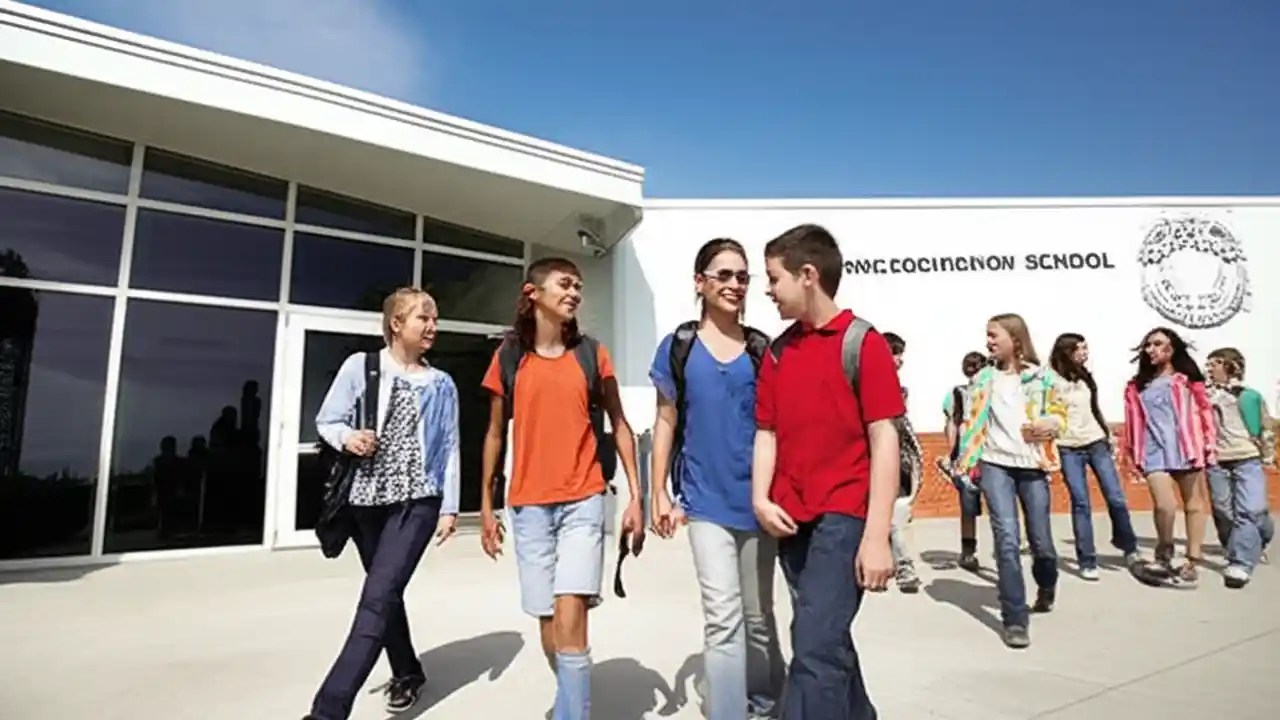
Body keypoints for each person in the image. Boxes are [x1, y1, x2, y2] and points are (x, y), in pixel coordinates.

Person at [477, 257, 644, 720]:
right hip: (528, 506)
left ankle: (574, 713)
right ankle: (571, 697)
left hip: (583, 498)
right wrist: (486, 506)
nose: (574, 293)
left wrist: (637, 496)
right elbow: (494, 434)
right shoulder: (509, 357)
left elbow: (620, 424)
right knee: (550, 624)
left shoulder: (592, 353)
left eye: (578, 286)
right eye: (565, 284)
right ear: (533, 294)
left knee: (572, 610)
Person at [753, 223, 900, 719]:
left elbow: (884, 440)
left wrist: (877, 537)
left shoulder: (863, 343)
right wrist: (760, 499)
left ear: (808, 275)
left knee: (814, 643)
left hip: (844, 516)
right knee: (825, 638)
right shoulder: (778, 352)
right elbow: (767, 432)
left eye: (774, 278)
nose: (768, 290)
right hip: (791, 520)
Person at [304, 288, 460, 720]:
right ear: (396, 323)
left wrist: (449, 507)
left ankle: (327, 711)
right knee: (385, 593)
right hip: (365, 500)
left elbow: (449, 446)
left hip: (418, 502)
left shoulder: (442, 383)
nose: (432, 326)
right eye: (423, 318)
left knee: (376, 599)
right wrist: (348, 437)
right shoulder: (362, 367)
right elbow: (327, 420)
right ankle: (407, 671)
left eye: (435, 319)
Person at [648, 238, 785, 720]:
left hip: (758, 502)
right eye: (723, 275)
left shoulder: (762, 350)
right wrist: (658, 492)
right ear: (700, 282)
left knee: (758, 618)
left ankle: (766, 703)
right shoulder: (679, 347)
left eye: (742, 276)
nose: (734, 284)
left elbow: (779, 428)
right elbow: (666, 420)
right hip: (703, 503)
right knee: (723, 618)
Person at [953, 313, 1065, 649]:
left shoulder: (1041, 377)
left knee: (1041, 541)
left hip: (1032, 465)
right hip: (995, 465)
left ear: (1015, 339)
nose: (988, 341)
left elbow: (1060, 414)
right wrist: (965, 461)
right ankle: (1015, 618)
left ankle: (1046, 583)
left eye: (994, 335)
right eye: (987, 335)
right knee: (1006, 539)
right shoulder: (982, 379)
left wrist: (1049, 424)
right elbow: (970, 422)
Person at [1122, 327, 1215, 587]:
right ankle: (1164, 552)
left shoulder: (1188, 381)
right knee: (1165, 505)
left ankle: (1192, 560)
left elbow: (1205, 412)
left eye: (1157, 343)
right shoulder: (1137, 386)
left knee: (1194, 504)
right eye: (1148, 344)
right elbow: (1132, 422)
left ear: (1172, 348)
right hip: (1153, 450)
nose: (1151, 349)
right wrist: (1131, 452)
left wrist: (1209, 444)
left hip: (1186, 446)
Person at [1048, 333, 1142, 580]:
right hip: (1068, 447)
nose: (1085, 353)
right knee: (1081, 502)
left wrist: (1106, 434)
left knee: (1116, 497)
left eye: (1085, 348)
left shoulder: (1084, 376)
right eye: (1080, 348)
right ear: (1067, 351)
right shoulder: (1050, 380)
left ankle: (1129, 546)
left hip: (1096, 441)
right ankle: (1087, 559)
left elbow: (1093, 408)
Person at [1204, 347, 1276, 588]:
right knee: (1223, 510)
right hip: (1216, 460)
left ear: (1231, 366)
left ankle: (1241, 562)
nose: (1209, 368)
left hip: (1247, 457)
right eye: (1208, 364)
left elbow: (1264, 426)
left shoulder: (1249, 396)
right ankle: (1252, 536)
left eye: (1215, 363)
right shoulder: (1205, 396)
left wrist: (1267, 454)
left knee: (1249, 510)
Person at [937, 351, 987, 571]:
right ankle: (968, 551)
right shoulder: (958, 394)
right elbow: (952, 423)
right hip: (967, 456)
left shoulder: (992, 392)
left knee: (998, 504)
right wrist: (952, 454)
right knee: (968, 505)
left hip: (990, 454)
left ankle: (1006, 547)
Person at [882, 331, 921, 593]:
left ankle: (903, 566)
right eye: (895, 353)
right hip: (873, 461)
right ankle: (894, 564)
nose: (900, 360)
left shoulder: (899, 390)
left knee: (897, 516)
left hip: (898, 461)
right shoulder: (863, 387)